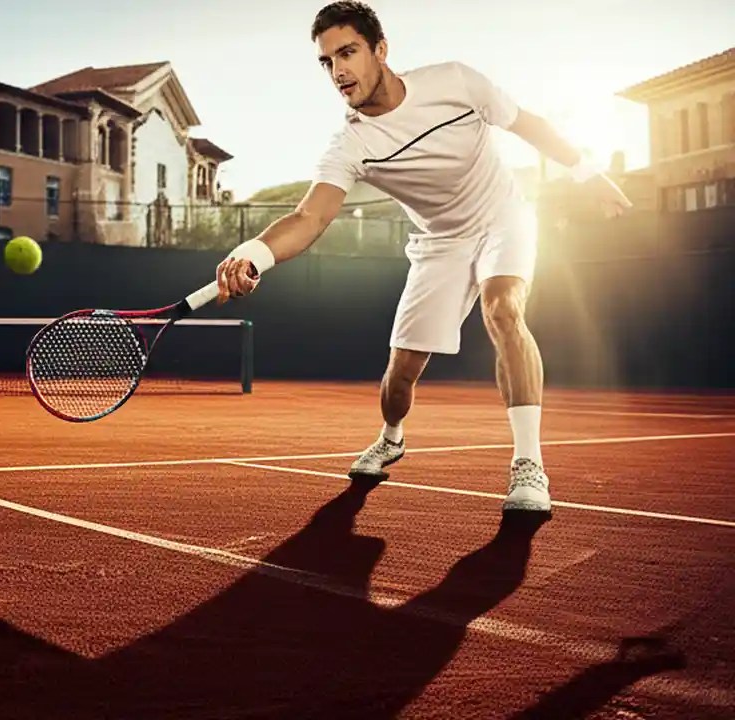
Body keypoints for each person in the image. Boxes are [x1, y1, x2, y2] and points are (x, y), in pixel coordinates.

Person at [214, 1, 632, 513]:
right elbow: (309, 217)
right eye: (327, 61)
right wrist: (252, 253)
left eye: (348, 53)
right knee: (400, 377)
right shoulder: (351, 144)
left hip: (504, 215)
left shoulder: (455, 82)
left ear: (380, 50)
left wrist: (587, 173)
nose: (338, 70)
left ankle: (529, 465)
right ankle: (392, 436)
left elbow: (528, 125)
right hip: (439, 245)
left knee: (503, 309)